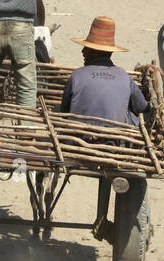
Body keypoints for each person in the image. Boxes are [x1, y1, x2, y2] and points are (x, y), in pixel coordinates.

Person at [60, 16, 148, 241]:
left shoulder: (77, 75)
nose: (82, 53)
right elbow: (143, 108)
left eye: (85, 49)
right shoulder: (124, 77)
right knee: (131, 115)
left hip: (77, 146)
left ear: (92, 52)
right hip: (114, 147)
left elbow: (63, 112)